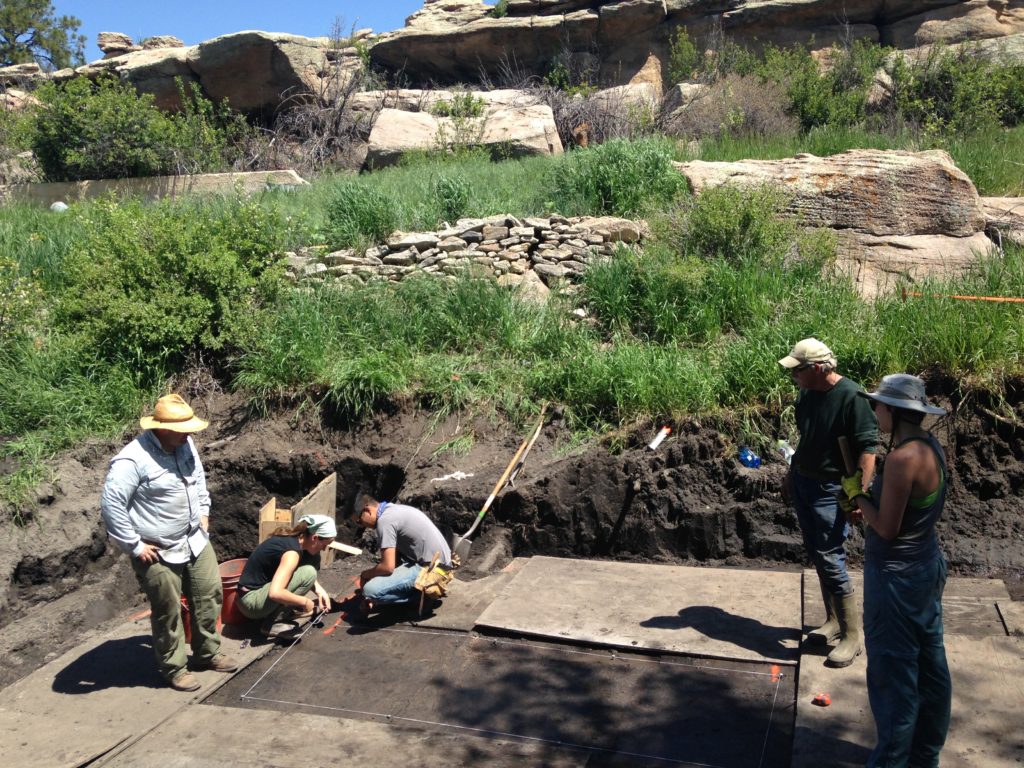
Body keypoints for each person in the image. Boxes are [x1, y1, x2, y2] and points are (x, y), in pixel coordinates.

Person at [841, 374, 951, 767]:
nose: (875, 411)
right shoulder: (929, 447)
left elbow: (887, 527)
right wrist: (870, 497)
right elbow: (903, 511)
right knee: (929, 665)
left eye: (879, 406)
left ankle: (891, 760)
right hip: (925, 567)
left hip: (897, 580)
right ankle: (925, 758)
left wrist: (857, 496)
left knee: (894, 675)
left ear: (893, 410)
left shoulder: (904, 458)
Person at [100, 394, 238, 692]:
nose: (190, 433)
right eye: (183, 428)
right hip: (157, 549)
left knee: (209, 592)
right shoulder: (131, 460)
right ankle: (174, 668)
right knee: (168, 609)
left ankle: (208, 653)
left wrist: (204, 510)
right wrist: (134, 545)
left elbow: (198, 477)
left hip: (193, 539)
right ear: (161, 428)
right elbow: (112, 505)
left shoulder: (184, 443)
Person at [779, 337, 878, 667]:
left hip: (829, 490)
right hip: (805, 482)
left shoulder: (852, 397)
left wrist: (859, 496)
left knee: (830, 556)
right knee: (816, 553)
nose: (794, 376)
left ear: (819, 369)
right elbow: (805, 439)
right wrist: (792, 475)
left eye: (799, 370)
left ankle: (852, 635)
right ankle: (833, 621)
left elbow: (867, 451)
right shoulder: (807, 394)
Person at [237, 514, 335, 638]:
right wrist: (305, 602)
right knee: (309, 572)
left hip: (254, 596)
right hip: (250, 602)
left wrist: (320, 591)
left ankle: (279, 612)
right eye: (324, 545)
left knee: (311, 565)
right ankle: (272, 623)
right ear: (315, 538)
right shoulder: (292, 553)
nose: (325, 549)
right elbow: (275, 593)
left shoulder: (296, 541)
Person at [350, 492, 452, 610]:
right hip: (443, 563)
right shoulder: (393, 509)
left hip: (433, 570)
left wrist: (365, 575)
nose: (362, 526)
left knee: (370, 590)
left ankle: (420, 596)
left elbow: (388, 567)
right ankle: (420, 592)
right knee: (379, 577)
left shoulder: (385, 521)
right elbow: (395, 558)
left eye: (359, 521)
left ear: (367, 509)